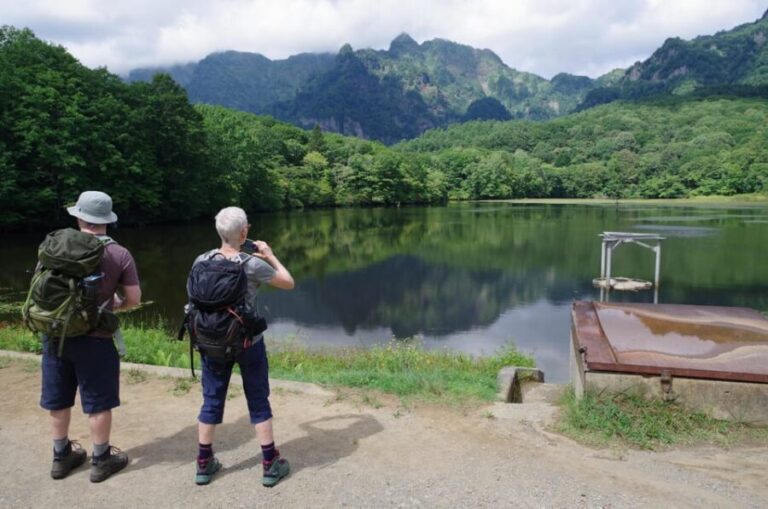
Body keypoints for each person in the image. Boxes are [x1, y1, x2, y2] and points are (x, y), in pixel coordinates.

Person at [191, 206, 295, 487]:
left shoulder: (201, 260)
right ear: (244, 232)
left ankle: (203, 463)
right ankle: (270, 464)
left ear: (219, 231)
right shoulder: (251, 264)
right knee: (258, 401)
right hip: (249, 342)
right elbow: (288, 282)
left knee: (211, 399)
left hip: (211, 341)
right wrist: (270, 255)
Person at [43, 191, 141, 482]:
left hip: (55, 334)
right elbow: (134, 298)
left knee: (58, 398)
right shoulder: (118, 253)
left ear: (78, 216)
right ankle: (101, 460)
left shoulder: (53, 245)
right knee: (98, 401)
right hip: (96, 337)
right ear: (107, 221)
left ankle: (61, 457)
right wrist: (115, 305)